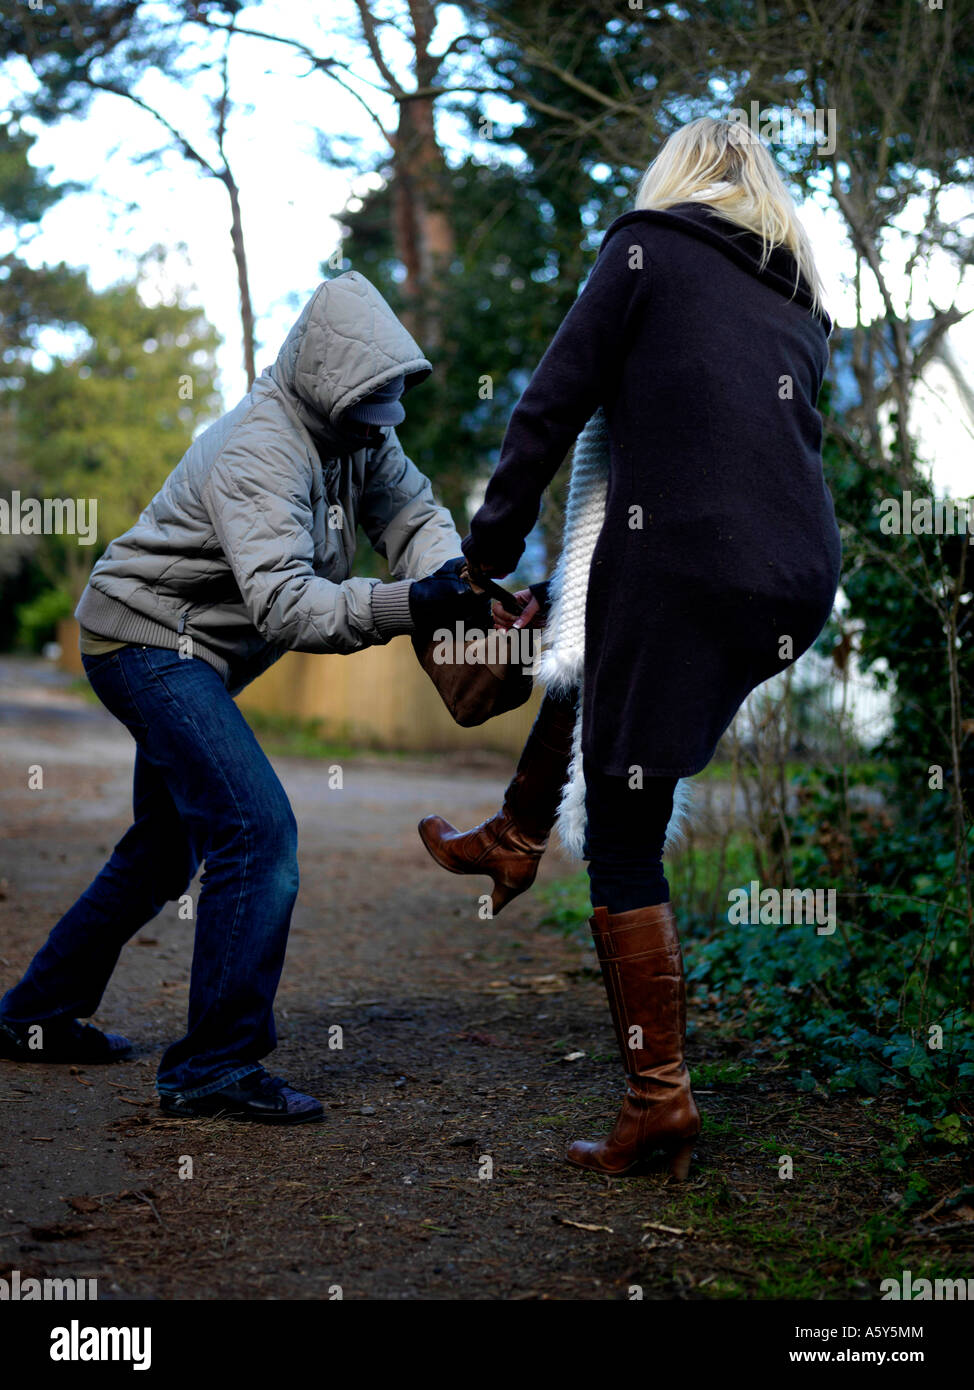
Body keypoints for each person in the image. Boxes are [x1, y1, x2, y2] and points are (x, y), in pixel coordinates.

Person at [419, 117, 842, 1179]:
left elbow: (549, 403)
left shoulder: (644, 244)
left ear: (677, 182)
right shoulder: (797, 299)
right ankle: (516, 832)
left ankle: (659, 1101)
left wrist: (485, 554)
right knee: (608, 654)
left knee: (622, 830)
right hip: (793, 575)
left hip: (688, 562)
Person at [0, 271, 486, 1124]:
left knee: (163, 848)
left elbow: (411, 512)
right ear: (325, 376)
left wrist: (447, 575)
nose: (378, 420)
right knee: (258, 831)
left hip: (190, 655)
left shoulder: (360, 429)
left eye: (385, 401)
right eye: (365, 400)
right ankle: (212, 1066)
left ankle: (32, 1017)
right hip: (144, 641)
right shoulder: (260, 448)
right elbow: (288, 605)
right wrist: (410, 605)